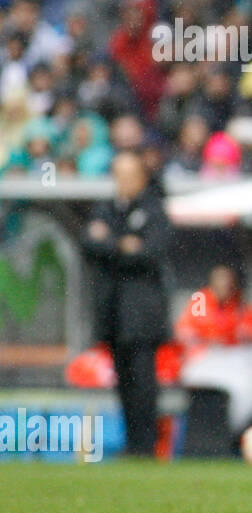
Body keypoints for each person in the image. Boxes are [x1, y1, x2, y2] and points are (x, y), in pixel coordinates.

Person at [82, 150, 173, 456]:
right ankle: (132, 443)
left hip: (142, 314)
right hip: (113, 311)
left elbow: (150, 251)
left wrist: (111, 243)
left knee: (143, 381)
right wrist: (123, 245)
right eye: (118, 175)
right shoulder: (105, 209)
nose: (123, 182)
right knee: (123, 380)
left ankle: (146, 445)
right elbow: (90, 243)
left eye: (129, 175)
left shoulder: (154, 208)